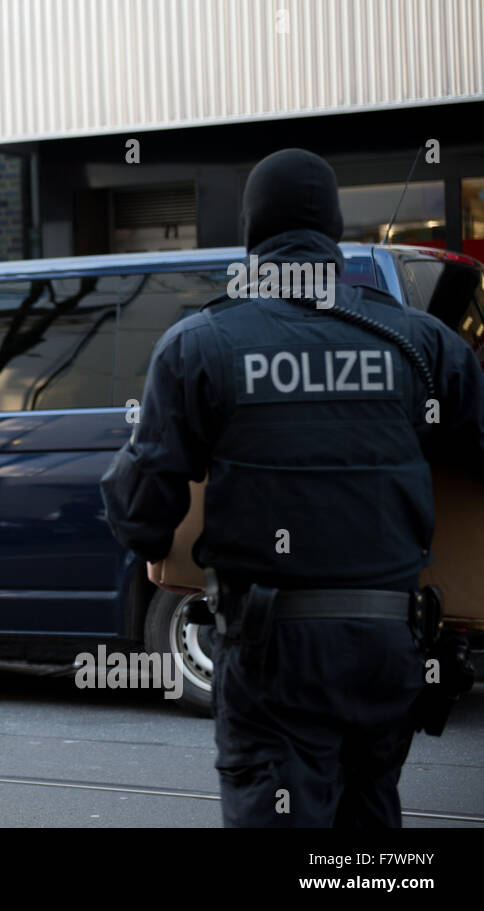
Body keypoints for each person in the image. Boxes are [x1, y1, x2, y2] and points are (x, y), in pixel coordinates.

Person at [100, 148, 484, 828]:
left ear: (253, 234)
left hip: (272, 653)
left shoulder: (200, 344)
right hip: (389, 647)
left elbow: (140, 509)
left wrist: (159, 539)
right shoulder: (420, 342)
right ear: (333, 232)